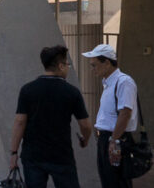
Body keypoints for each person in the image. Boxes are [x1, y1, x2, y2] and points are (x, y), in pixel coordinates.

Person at [9, 44, 91, 187]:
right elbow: (85, 125)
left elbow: (20, 122)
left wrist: (14, 152)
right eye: (67, 65)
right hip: (61, 155)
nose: (68, 68)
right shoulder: (71, 92)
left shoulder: (27, 90)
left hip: (33, 156)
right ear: (61, 66)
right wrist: (85, 139)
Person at [83, 43, 138, 186]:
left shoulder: (123, 82)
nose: (92, 69)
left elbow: (125, 113)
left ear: (107, 63)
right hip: (107, 138)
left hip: (117, 139)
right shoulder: (108, 83)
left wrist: (114, 140)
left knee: (117, 181)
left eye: (94, 65)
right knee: (108, 180)